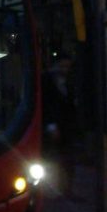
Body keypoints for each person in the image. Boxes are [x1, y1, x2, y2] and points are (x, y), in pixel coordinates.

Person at [41, 55, 80, 198]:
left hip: (66, 125)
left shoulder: (68, 81)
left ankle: (66, 188)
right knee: (51, 158)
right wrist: (51, 125)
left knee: (67, 159)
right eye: (62, 66)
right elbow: (46, 103)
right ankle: (51, 188)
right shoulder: (46, 80)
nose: (65, 69)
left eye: (67, 66)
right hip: (53, 124)